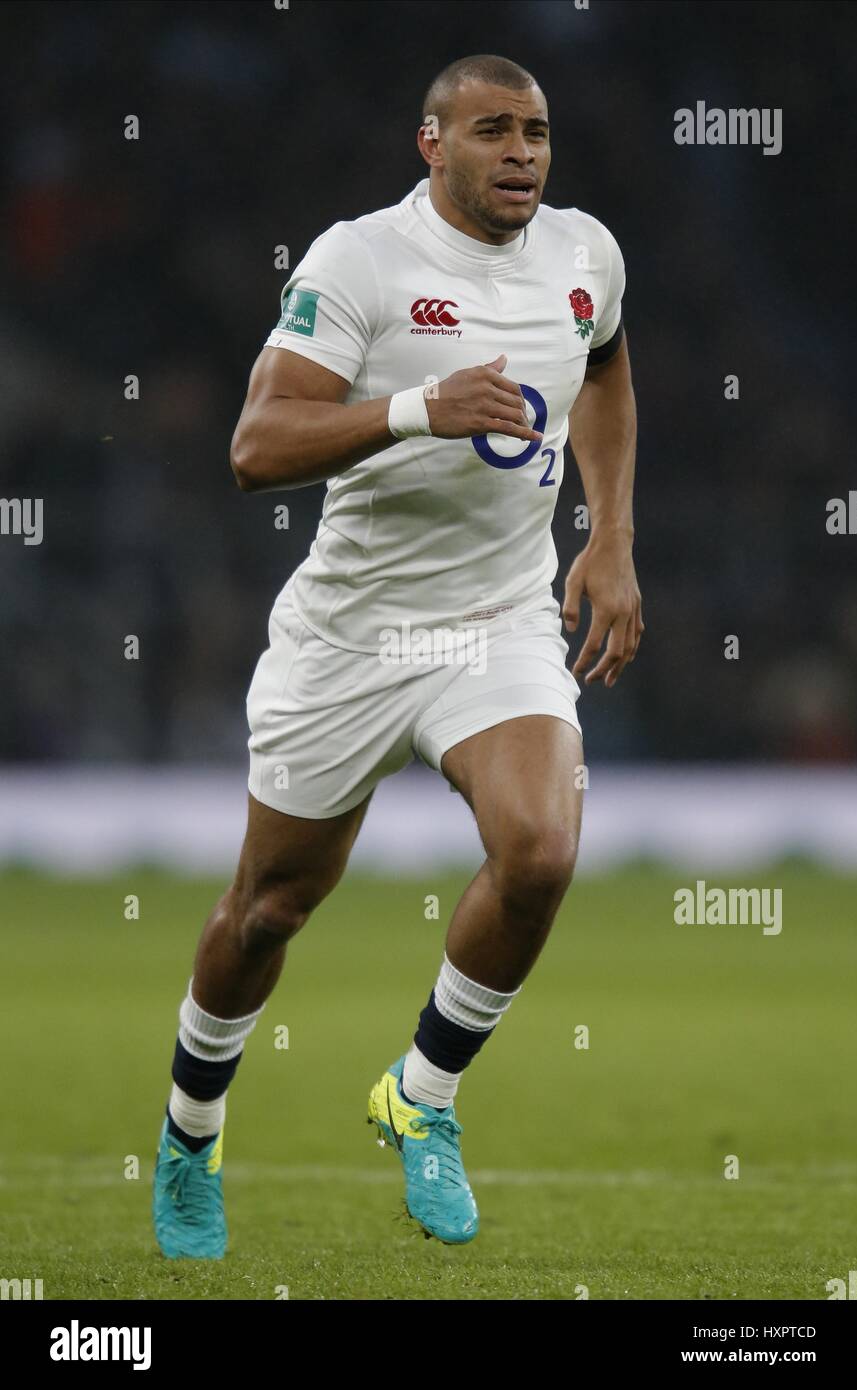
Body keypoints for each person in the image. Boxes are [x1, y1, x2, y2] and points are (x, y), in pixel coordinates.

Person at [152, 52, 643, 1256]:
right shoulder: (359, 260)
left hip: (496, 621)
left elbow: (606, 369)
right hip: (350, 638)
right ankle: (187, 1133)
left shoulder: (585, 254)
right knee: (268, 909)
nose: (521, 151)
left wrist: (611, 537)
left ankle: (419, 1098)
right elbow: (254, 446)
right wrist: (418, 408)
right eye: (490, 129)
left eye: (534, 130)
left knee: (539, 848)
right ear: (431, 143)